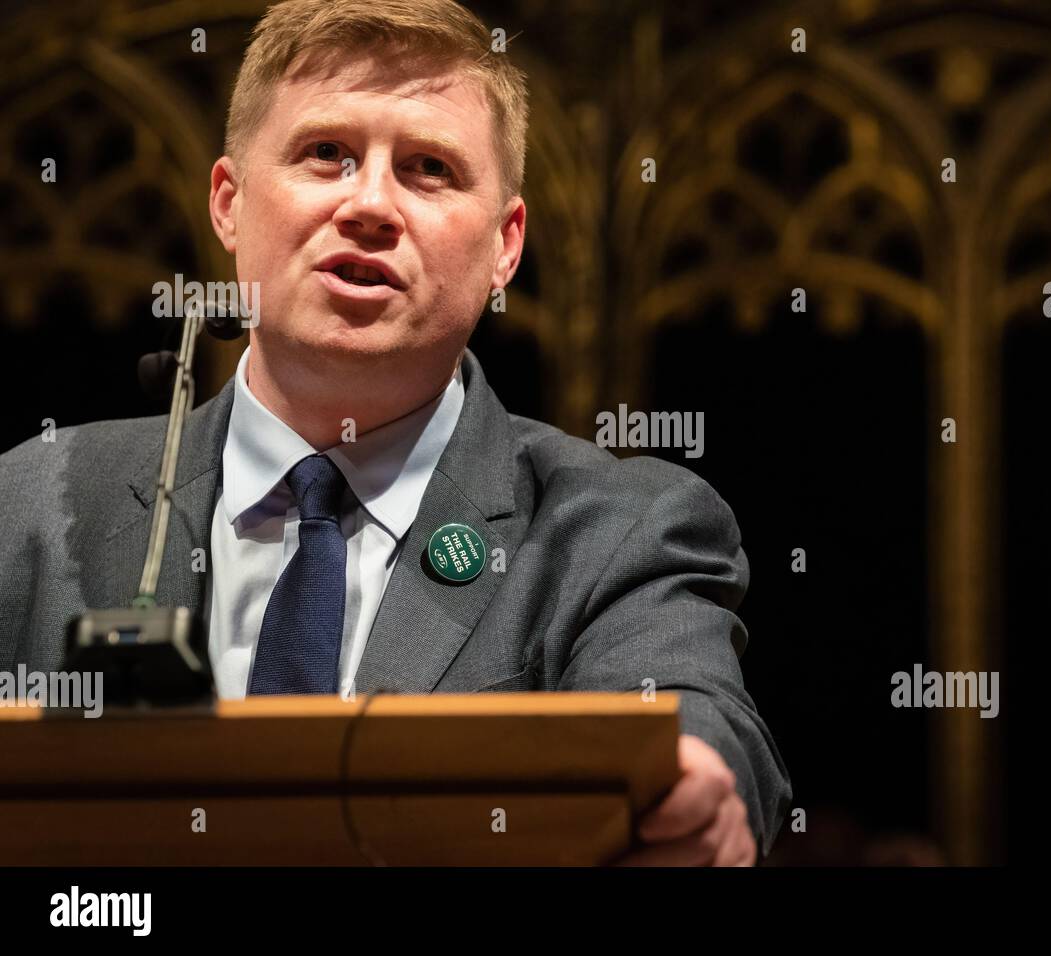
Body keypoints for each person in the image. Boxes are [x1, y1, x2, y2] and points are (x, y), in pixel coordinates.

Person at [0, 0, 790, 866]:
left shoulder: (617, 531)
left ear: (506, 245)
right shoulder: (27, 504)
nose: (371, 203)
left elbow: (693, 714)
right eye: (326, 154)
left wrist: (692, 774)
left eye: (429, 169)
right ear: (228, 204)